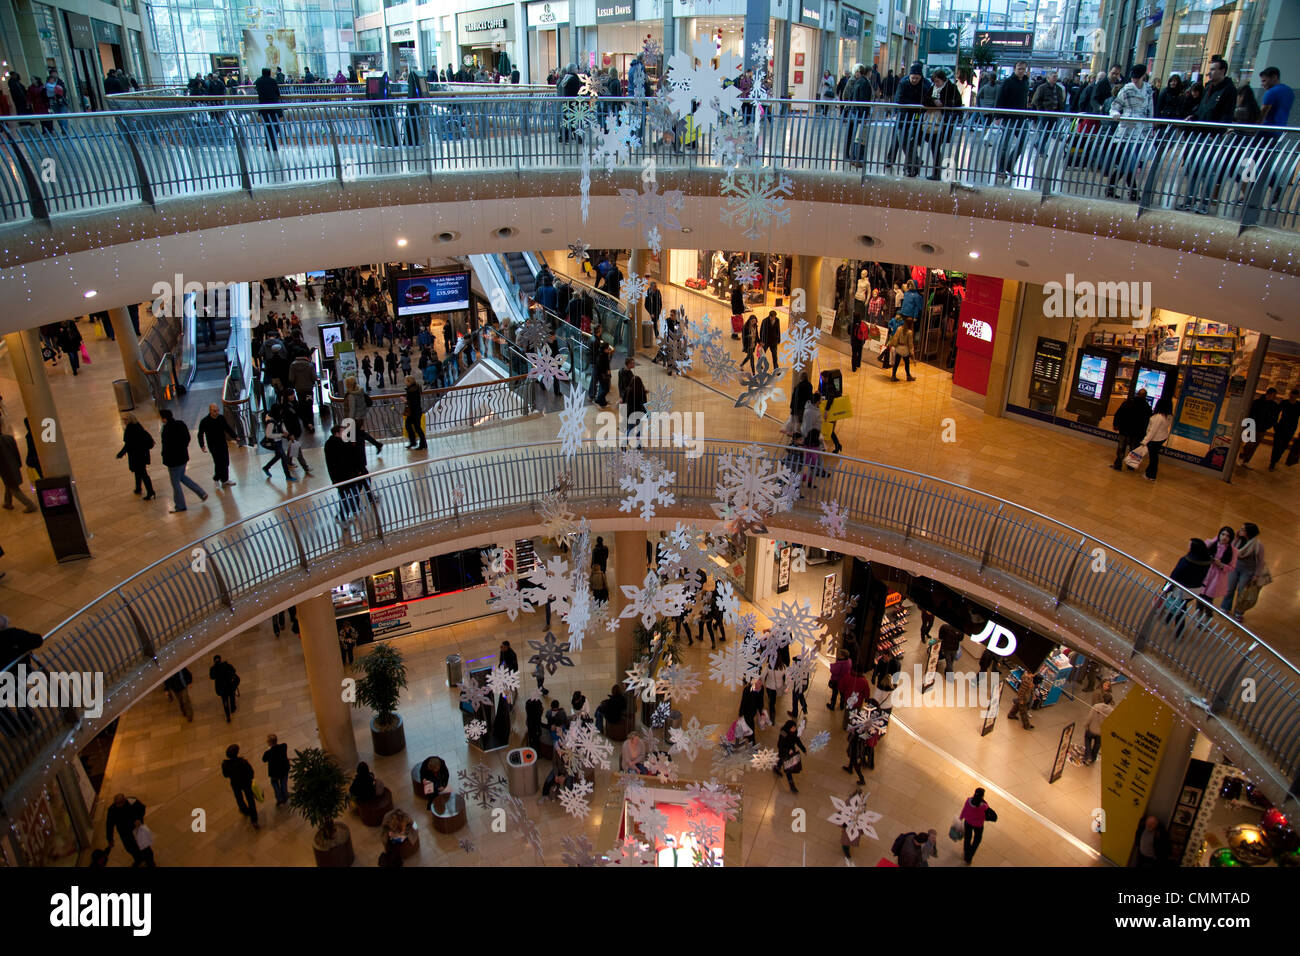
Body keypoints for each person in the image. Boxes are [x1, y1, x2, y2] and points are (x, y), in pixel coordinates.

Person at [159, 408, 208, 513]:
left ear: (164, 419)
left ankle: (180, 505)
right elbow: (187, 437)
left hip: (173, 461)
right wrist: (183, 448)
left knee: (175, 483)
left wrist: (165, 455)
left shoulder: (166, 429)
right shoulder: (180, 424)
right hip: (183, 457)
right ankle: (201, 493)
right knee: (182, 477)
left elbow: (166, 446)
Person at [994, 61, 1032, 183]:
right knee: (1005, 144)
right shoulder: (1008, 82)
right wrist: (998, 116)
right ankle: (1000, 169)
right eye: (1019, 69)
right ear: (1014, 69)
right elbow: (1000, 98)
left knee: (1023, 143)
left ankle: (1009, 166)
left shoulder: (1026, 82)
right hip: (1008, 118)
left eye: (1023, 69)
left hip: (1021, 118)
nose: (1022, 71)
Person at [1221, 523, 1265, 619]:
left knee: (1242, 592)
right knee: (1229, 589)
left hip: (1248, 571)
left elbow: (1261, 561)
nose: (1240, 530)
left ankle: (1239, 612)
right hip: (1234, 567)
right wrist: (1235, 538)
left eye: (1243, 529)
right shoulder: (1237, 540)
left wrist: (1257, 575)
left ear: (1248, 532)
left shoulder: (1257, 545)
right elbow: (1230, 549)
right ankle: (1225, 607)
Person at [115, 413, 157, 501]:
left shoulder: (130, 429)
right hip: (142, 454)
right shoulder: (138, 426)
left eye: (125, 420)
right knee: (138, 472)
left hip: (136, 456)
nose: (124, 422)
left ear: (129, 420)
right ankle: (138, 488)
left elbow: (128, 445)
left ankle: (150, 491)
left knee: (142, 473)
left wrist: (120, 454)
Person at [1110, 387, 1152, 470]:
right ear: (1145, 396)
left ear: (1137, 394)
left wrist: (1116, 424)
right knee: (1134, 449)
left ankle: (1118, 464)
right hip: (1137, 433)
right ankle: (1131, 466)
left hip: (1125, 429)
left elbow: (1119, 413)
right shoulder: (1147, 407)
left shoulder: (1129, 402)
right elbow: (1147, 422)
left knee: (1121, 448)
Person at [196, 404, 237, 487]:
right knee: (218, 463)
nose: (217, 412)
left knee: (226, 462)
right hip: (213, 446)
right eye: (215, 411)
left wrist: (235, 436)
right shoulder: (204, 421)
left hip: (222, 444)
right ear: (210, 410)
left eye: (218, 410)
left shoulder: (221, 418)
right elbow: (200, 434)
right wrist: (202, 445)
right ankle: (216, 478)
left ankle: (225, 480)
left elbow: (227, 428)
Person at [1239, 386, 1280, 467]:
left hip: (1262, 429)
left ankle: (1246, 461)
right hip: (1253, 427)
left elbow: (1274, 418)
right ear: (1269, 394)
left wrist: (1268, 426)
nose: (1275, 397)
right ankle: (1242, 457)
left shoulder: (1274, 405)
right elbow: (1250, 414)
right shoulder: (1257, 402)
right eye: (1274, 395)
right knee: (1250, 444)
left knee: (1255, 446)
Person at [222, 744, 260, 827]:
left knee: (239, 798)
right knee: (250, 800)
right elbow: (251, 772)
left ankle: (245, 810)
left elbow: (225, 775)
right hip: (246, 783)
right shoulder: (243, 762)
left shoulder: (225, 764)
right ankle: (254, 819)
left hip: (235, 784)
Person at [1199, 525, 1237, 608]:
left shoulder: (1233, 551)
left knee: (1208, 601)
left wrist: (1221, 565)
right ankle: (1199, 616)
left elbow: (1232, 567)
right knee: (1199, 597)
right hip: (1205, 573)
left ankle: (1207, 617)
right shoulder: (1210, 543)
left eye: (1227, 536)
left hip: (1216, 578)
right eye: (1223, 534)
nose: (1224, 537)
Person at [105, 794, 148, 866]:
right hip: (124, 832)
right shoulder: (112, 810)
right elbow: (109, 825)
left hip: (137, 827)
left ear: (124, 800)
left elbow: (142, 808)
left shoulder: (132, 801)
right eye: (117, 804)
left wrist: (139, 819)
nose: (119, 805)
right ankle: (138, 860)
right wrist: (110, 839)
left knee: (145, 845)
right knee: (130, 847)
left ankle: (149, 861)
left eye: (121, 803)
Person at [1140, 395, 1175, 481]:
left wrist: (1145, 441)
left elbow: (1152, 430)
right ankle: (1150, 472)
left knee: (1153, 457)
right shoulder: (1168, 416)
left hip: (1155, 439)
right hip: (1162, 437)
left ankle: (1151, 475)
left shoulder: (1159, 417)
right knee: (1154, 457)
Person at [0, 431, 36, 513]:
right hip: (14, 465)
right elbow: (16, 452)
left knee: (14, 489)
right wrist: (19, 463)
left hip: (5, 469)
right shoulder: (9, 437)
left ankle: (30, 505)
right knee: (9, 485)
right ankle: (7, 502)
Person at [959, 787, 995, 863]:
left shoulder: (968, 800)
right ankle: (969, 857)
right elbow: (987, 815)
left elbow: (964, 810)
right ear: (982, 796)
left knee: (967, 838)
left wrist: (960, 818)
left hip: (968, 822)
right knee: (977, 840)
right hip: (978, 825)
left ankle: (966, 852)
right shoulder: (984, 806)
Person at [1268, 388, 1300, 470]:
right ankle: (1272, 462)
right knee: (1276, 445)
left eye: (1294, 395)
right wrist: (1275, 425)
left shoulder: (1298, 405)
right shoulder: (1284, 403)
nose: (1292, 397)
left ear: (1297, 396)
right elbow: (1275, 413)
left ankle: (1277, 458)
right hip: (1281, 427)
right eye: (1291, 395)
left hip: (1291, 429)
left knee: (1284, 446)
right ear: (1290, 395)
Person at [254, 68, 283, 153]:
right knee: (275, 126)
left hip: (263, 107)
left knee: (267, 127)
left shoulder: (258, 81)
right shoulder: (272, 81)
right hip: (273, 107)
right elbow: (277, 93)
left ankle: (268, 145)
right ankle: (273, 145)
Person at [774, 719, 806, 793]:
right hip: (784, 752)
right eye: (793, 728)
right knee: (788, 769)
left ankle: (777, 768)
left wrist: (803, 749)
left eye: (795, 728)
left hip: (790, 752)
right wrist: (788, 750)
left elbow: (797, 741)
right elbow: (779, 745)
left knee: (782, 761)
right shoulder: (783, 733)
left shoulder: (794, 732)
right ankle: (792, 786)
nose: (794, 729)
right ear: (789, 728)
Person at [1082, 692, 1114, 764]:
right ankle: (1093, 758)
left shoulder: (1096, 706)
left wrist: (1086, 725)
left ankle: (1088, 756)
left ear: (1102, 698)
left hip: (1092, 729)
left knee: (1087, 740)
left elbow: (1089, 717)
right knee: (1097, 744)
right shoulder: (1111, 711)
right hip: (1101, 733)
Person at [209, 653, 240, 722]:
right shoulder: (226, 665)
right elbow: (233, 670)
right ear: (220, 659)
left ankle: (228, 715)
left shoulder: (213, 669)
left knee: (225, 701)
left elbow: (212, 677)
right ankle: (233, 708)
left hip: (221, 689)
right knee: (232, 697)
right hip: (229, 686)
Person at [262, 734, 291, 806]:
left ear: (269, 743)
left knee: (275, 785)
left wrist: (270, 749)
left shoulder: (268, 753)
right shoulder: (283, 746)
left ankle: (279, 798)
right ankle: (285, 795)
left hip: (274, 772)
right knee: (283, 783)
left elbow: (264, 760)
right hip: (284, 769)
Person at [886, 317, 916, 382]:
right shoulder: (909, 332)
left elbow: (895, 337)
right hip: (905, 349)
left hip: (898, 348)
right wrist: (912, 355)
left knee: (896, 363)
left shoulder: (899, 328)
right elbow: (910, 344)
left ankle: (893, 376)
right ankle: (908, 376)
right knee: (907, 363)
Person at [402, 374, 427, 450]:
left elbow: (411, 402)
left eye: (406, 381)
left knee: (416, 427)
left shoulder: (411, 391)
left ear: (409, 381)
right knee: (411, 426)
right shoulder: (415, 388)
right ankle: (416, 442)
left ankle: (421, 443)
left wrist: (404, 400)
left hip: (414, 412)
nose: (405, 382)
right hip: (416, 411)